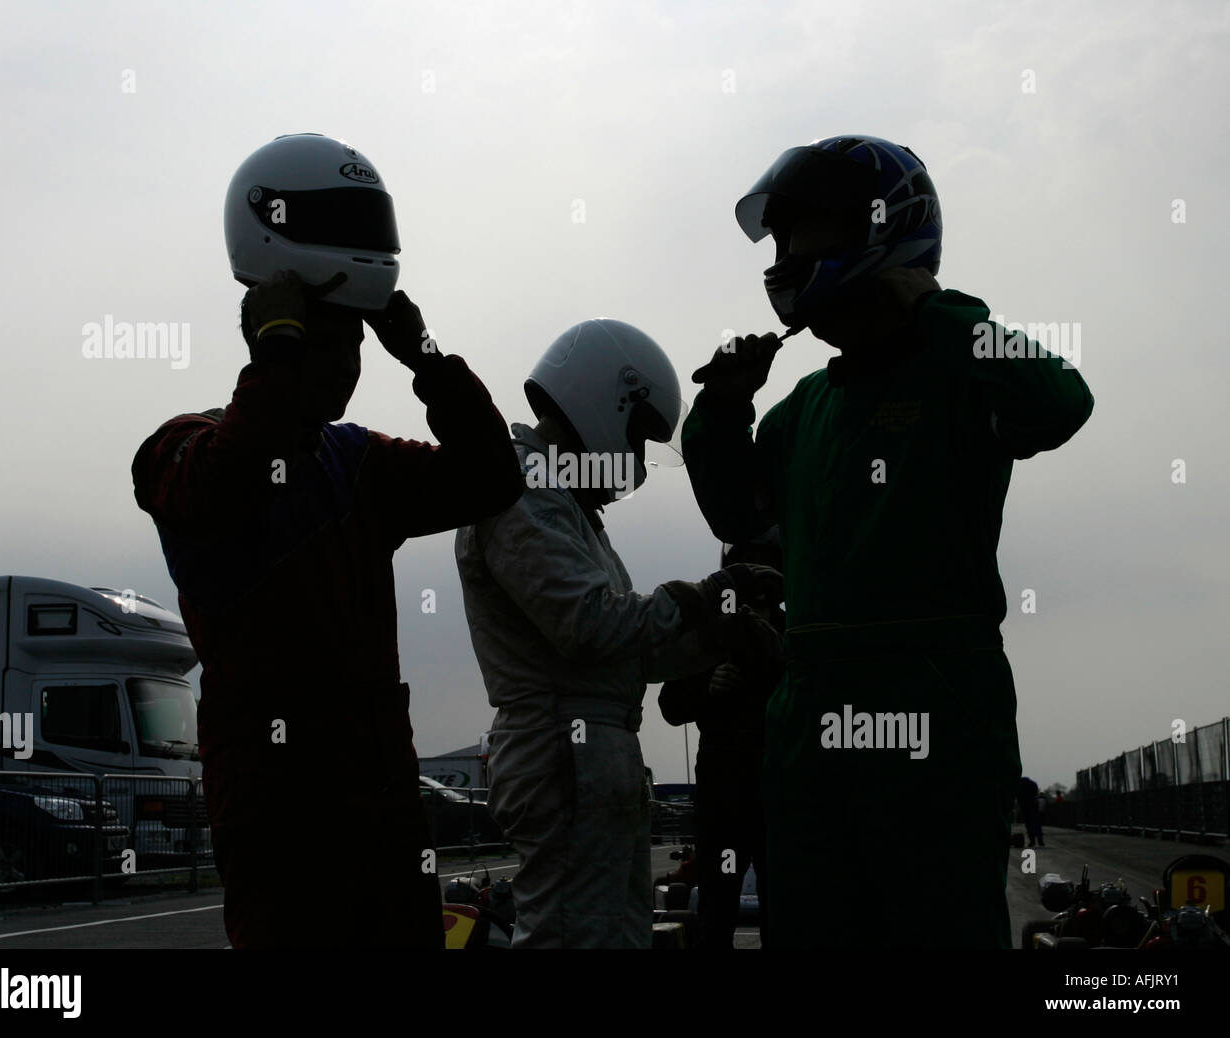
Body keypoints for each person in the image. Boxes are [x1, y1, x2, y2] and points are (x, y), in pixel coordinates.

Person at [682, 134, 1094, 949]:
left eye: (804, 236)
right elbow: (737, 518)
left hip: (935, 695)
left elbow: (1062, 399)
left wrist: (933, 308)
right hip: (809, 710)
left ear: (883, 228)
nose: (786, 258)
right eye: (781, 242)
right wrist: (722, 412)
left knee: (938, 928)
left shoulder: (955, 355)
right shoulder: (799, 409)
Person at [132, 133, 523, 948]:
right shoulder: (178, 450)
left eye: (355, 343)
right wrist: (274, 349)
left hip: (382, 791)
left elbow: (490, 477)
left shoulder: (358, 462)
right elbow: (232, 474)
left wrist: (424, 357)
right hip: (278, 800)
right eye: (327, 341)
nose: (347, 364)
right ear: (274, 338)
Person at [454, 318, 784, 948]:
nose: (634, 463)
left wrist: (725, 632)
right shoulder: (525, 486)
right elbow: (590, 625)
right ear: (613, 400)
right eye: (638, 441)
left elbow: (629, 645)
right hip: (565, 751)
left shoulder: (564, 502)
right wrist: (708, 599)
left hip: (586, 752)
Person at [658, 528, 784, 949]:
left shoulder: (795, 635)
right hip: (725, 796)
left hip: (776, 791)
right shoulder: (709, 634)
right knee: (718, 907)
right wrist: (707, 689)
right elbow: (671, 706)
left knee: (783, 909)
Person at [1018, 776, 1046, 848]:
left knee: (1029, 824)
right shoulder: (1033, 784)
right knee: (1037, 824)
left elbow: (1018, 796)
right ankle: (1040, 841)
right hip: (1034, 806)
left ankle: (1032, 841)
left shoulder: (1020, 785)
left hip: (1025, 807)